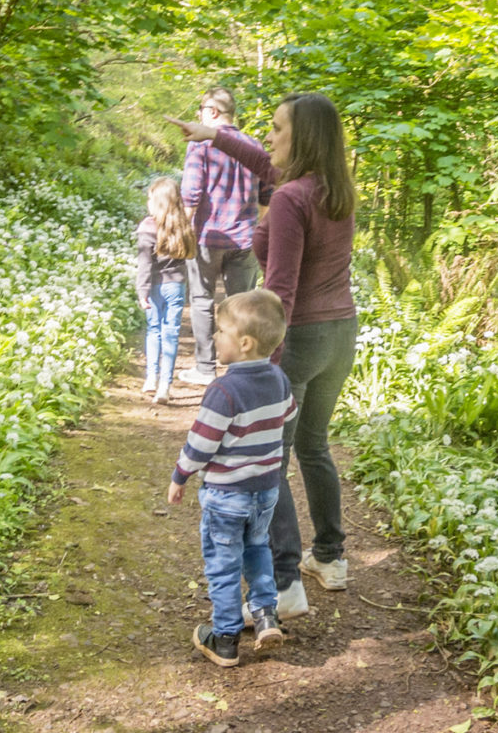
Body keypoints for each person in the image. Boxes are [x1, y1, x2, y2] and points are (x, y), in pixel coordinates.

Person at [167, 93, 357, 620]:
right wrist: (214, 136)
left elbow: (280, 293)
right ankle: (331, 558)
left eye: (277, 129)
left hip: (297, 339)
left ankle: (287, 581)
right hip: (341, 334)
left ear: (303, 139)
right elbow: (262, 162)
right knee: (313, 447)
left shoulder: (293, 199)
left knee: (267, 463)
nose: (268, 137)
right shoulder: (333, 189)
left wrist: (260, 370)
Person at [166, 288, 296, 667]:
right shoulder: (279, 378)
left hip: (227, 496)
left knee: (223, 565)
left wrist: (180, 476)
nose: (213, 337)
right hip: (266, 491)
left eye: (219, 332)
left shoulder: (224, 390)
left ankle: (224, 638)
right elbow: (286, 416)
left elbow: (201, 443)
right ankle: (266, 616)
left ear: (244, 342)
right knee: (258, 551)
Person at [178, 88, 272, 388]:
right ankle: (240, 370)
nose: (198, 115)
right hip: (245, 239)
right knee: (241, 306)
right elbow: (267, 195)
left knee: (202, 300)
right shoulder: (255, 145)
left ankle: (205, 368)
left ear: (213, 112)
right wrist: (260, 231)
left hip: (207, 237)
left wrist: (181, 234)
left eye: (201, 108)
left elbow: (191, 194)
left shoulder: (201, 144)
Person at [135, 177, 197, 405]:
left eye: (150, 198)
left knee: (154, 330)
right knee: (171, 333)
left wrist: (142, 291)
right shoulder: (183, 225)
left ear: (157, 202)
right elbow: (190, 255)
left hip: (154, 286)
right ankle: (165, 386)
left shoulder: (147, 227)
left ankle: (151, 378)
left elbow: (144, 265)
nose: (148, 202)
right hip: (177, 286)